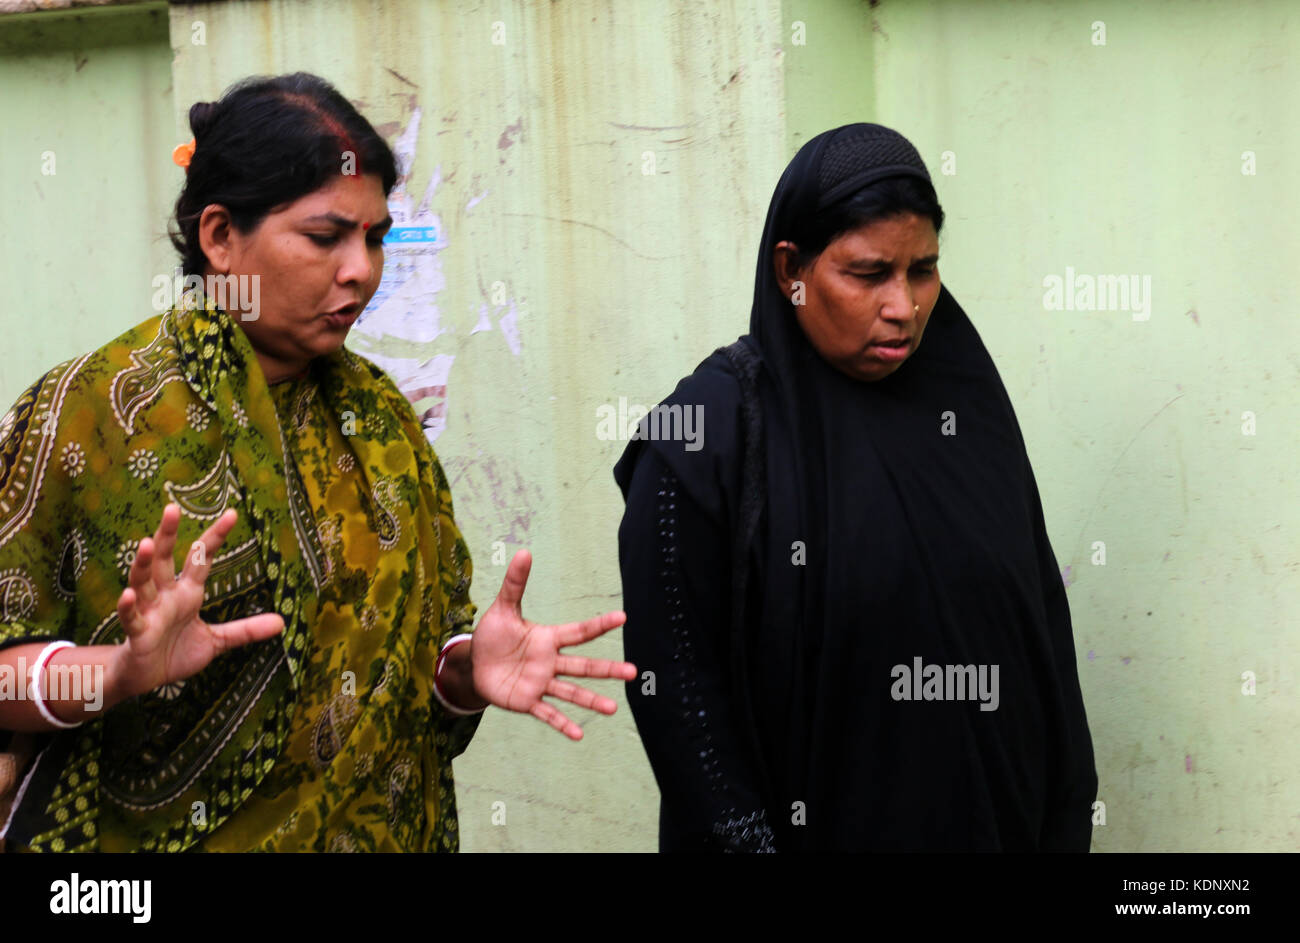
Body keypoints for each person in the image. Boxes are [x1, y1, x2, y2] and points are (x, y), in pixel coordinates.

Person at [0, 72, 635, 853]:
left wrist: (467, 671)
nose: (360, 270)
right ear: (220, 236)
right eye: (326, 236)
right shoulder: (93, 410)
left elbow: (430, 652)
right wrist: (120, 671)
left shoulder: (381, 420)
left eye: (374, 237)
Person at [614, 123, 1097, 852]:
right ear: (790, 270)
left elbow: (1042, 633)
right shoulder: (703, 436)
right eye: (869, 274)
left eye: (924, 270)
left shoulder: (965, 412)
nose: (903, 306)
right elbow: (682, 703)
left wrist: (1066, 818)